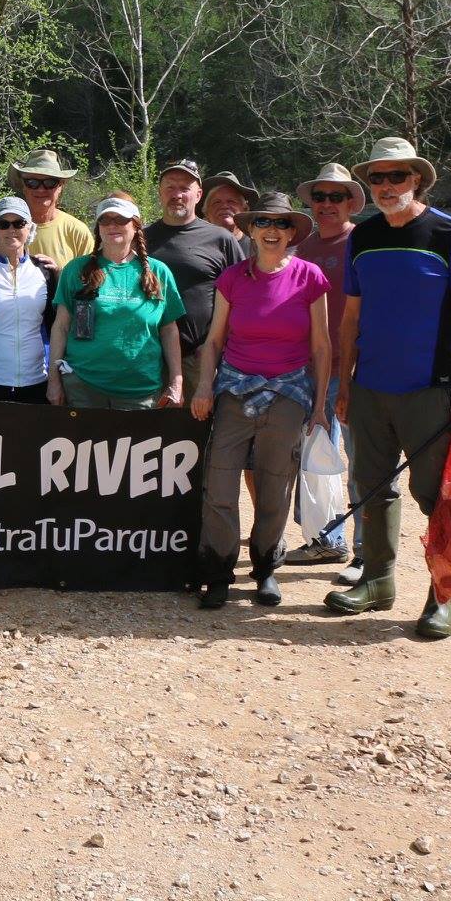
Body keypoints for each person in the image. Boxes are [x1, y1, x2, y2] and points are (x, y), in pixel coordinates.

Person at [327, 138, 451, 640]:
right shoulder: (364, 236)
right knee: (373, 489)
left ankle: (443, 594)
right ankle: (376, 581)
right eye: (378, 178)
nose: (387, 186)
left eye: (397, 176)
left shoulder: (449, 234)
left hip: (428, 390)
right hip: (369, 388)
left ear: (417, 179)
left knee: (434, 494)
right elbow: (350, 316)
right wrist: (344, 382)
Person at [190, 192, 331, 609]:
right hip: (234, 389)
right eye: (264, 223)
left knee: (274, 485)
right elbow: (214, 341)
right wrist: (203, 387)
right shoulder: (233, 278)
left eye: (282, 224)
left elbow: (321, 347)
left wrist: (320, 406)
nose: (273, 231)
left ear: (292, 233)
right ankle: (217, 573)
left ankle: (266, 568)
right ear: (250, 230)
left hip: (288, 392)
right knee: (219, 483)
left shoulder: (310, 277)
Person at [283, 161, 372, 571]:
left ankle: (365, 551)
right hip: (308, 370)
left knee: (361, 461)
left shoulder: (364, 242)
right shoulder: (302, 247)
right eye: (319, 197)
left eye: (336, 196)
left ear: (352, 203)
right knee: (312, 457)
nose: (326, 204)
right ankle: (325, 539)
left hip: (354, 370)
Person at [46, 194, 185, 410]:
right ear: (98, 228)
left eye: (121, 219)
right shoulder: (76, 270)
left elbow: (169, 331)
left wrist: (176, 382)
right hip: (83, 387)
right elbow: (61, 327)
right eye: (105, 219)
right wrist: (54, 381)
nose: (112, 225)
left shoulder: (158, 272)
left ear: (136, 226)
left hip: (141, 391)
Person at [144, 158, 245, 399]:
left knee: (199, 430)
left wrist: (216, 344)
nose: (177, 194)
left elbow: (242, 297)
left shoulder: (220, 239)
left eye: (184, 188)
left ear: (198, 195)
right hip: (148, 357)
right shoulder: (140, 239)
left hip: (200, 358)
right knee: (149, 433)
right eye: (170, 187)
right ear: (160, 192)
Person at [0, 198, 56, 402]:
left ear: (30, 228)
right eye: (3, 224)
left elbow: (55, 326)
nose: (11, 229)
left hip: (37, 379)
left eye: (19, 223)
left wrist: (56, 378)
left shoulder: (46, 272)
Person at [0, 149, 94, 266]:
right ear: (23, 186)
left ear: (60, 186)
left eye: (50, 182)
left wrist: (59, 276)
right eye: (32, 182)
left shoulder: (77, 232)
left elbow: (91, 280)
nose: (41, 189)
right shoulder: (0, 230)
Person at [201, 172, 258, 248]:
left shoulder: (259, 247)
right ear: (206, 213)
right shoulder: (197, 248)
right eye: (217, 202)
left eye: (231, 201)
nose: (224, 206)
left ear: (244, 210)